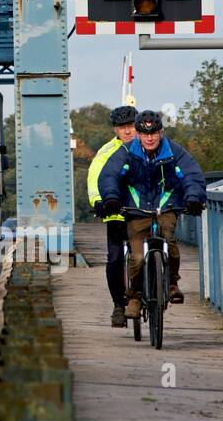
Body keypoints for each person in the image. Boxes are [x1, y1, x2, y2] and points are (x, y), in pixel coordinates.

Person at [98, 109, 206, 319]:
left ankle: (172, 281)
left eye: (154, 133)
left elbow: (191, 174)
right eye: (145, 134)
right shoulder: (126, 153)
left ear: (161, 132)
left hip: (166, 206)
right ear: (138, 134)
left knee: (169, 240)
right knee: (137, 256)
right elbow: (109, 175)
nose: (149, 138)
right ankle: (136, 295)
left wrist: (193, 197)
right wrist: (111, 197)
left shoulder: (174, 151)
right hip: (137, 209)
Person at [86, 105, 137, 327]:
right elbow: (95, 178)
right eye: (122, 127)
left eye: (131, 126)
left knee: (142, 253)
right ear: (115, 130)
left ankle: (145, 291)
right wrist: (98, 201)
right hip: (115, 212)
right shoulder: (106, 152)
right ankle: (118, 305)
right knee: (115, 258)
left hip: (140, 211)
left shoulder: (147, 147)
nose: (127, 131)